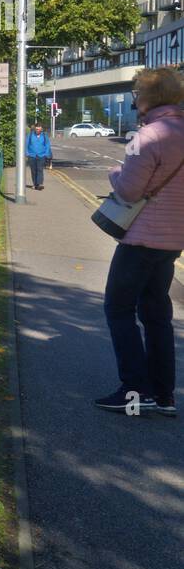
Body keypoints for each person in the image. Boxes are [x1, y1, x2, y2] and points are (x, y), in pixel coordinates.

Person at [97, 68, 184, 416]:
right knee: (157, 314)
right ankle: (164, 395)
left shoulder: (145, 136)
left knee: (118, 309)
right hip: (172, 242)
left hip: (139, 241)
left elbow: (130, 189)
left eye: (137, 95)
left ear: (146, 98)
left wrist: (115, 173)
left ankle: (134, 390)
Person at [25, 122, 51, 190]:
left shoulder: (44, 136)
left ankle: (40, 184)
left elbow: (47, 145)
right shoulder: (30, 135)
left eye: (39, 129)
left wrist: (46, 153)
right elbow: (26, 144)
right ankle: (35, 184)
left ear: (41, 129)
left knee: (40, 169)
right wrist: (27, 153)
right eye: (37, 129)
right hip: (32, 155)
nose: (38, 130)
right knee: (33, 171)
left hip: (41, 155)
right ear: (35, 129)